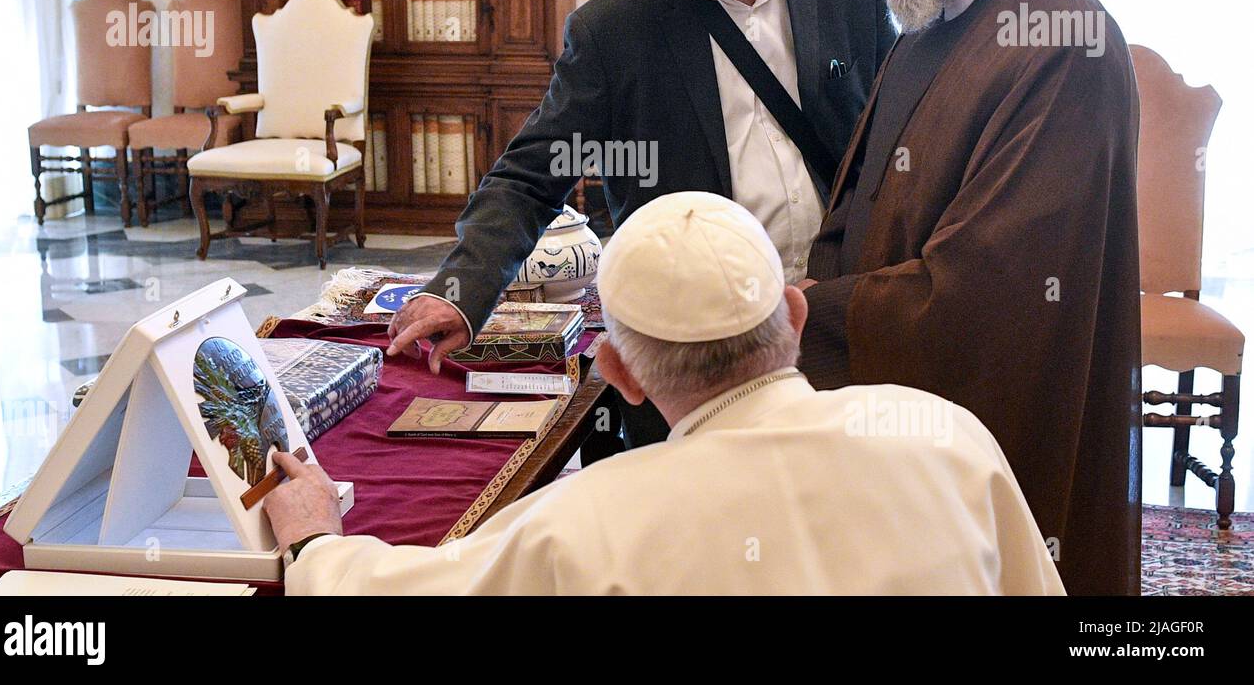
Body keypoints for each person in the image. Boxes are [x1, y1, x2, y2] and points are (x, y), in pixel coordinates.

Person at [387, 0, 896, 447]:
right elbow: (530, 176)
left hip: (831, 320)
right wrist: (460, 288)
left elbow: (887, 146)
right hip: (697, 348)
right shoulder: (616, 29)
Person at [266, 192, 1064, 595]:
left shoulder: (588, 521)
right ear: (794, 312)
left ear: (618, 373)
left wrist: (314, 545)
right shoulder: (943, 432)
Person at [798, 0, 1141, 596]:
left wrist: (792, 311)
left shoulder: (1065, 43)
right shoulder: (939, 7)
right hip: (885, 438)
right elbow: (865, 199)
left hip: (993, 460)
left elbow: (986, 305)